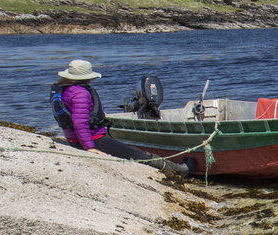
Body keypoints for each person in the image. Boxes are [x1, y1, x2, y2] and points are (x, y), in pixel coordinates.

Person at [51, 59, 184, 169]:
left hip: (73, 137)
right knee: (136, 154)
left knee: (128, 150)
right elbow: (79, 121)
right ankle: (179, 169)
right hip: (92, 139)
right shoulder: (80, 93)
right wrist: (89, 147)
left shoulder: (66, 89)